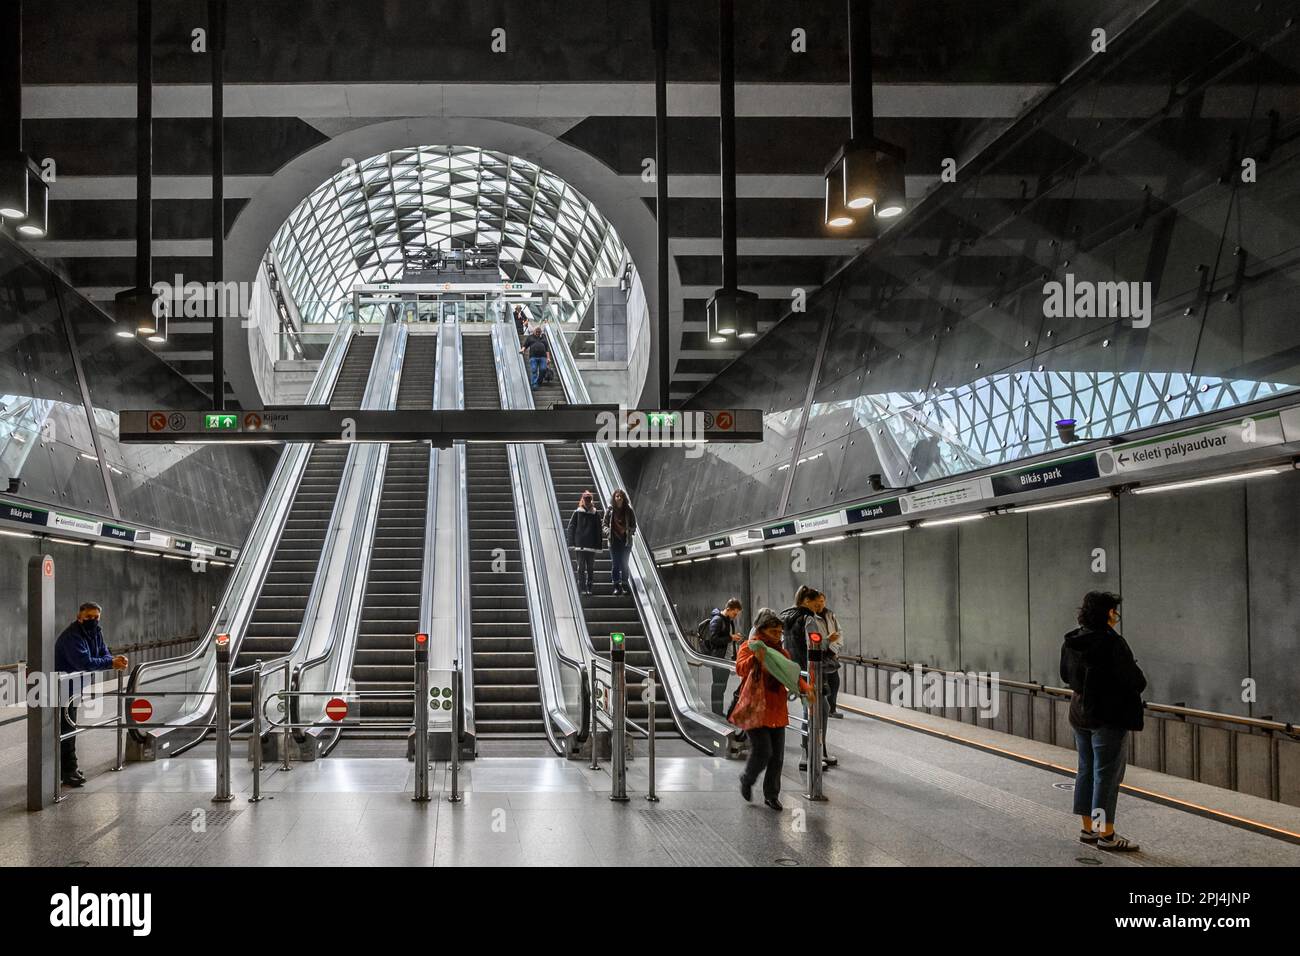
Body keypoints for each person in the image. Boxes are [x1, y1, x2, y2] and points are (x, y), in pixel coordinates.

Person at [1060, 591, 1146, 852]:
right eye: (1113, 610)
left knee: (1086, 769)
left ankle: (1089, 829)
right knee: (1106, 776)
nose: (1116, 614)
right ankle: (1106, 834)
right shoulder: (1112, 643)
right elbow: (1136, 681)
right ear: (1108, 612)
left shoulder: (1073, 639)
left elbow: (1065, 674)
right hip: (1107, 716)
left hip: (1079, 712)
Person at [53, 603, 128, 787]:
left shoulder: (96, 633)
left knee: (69, 730)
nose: (92, 621)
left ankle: (69, 769)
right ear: (79, 617)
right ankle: (67, 771)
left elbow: (104, 652)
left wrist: (112, 660)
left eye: (96, 618)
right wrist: (111, 663)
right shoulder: (72, 637)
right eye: (88, 618)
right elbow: (84, 663)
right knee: (65, 731)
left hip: (74, 690)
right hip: (60, 690)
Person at [734, 608, 795, 810]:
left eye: (780, 633)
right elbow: (740, 669)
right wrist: (755, 659)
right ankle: (747, 779)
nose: (778, 636)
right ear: (762, 630)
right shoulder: (750, 647)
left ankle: (771, 795)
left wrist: (805, 689)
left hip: (776, 709)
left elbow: (790, 674)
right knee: (763, 751)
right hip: (754, 709)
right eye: (774, 632)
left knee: (777, 757)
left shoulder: (781, 652)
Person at [782, 586, 837, 772]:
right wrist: (828, 639)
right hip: (811, 671)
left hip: (797, 670)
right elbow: (816, 644)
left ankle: (816, 751)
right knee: (814, 710)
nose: (818, 607)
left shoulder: (786, 617)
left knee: (819, 708)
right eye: (815, 603)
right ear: (806, 601)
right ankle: (808, 754)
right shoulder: (808, 618)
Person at [703, 599, 742, 715]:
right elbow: (713, 639)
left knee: (721, 687)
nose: (735, 617)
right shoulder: (717, 620)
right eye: (734, 614)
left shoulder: (728, 620)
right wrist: (731, 638)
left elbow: (725, 637)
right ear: (728, 609)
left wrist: (733, 638)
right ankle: (716, 712)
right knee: (718, 686)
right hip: (719, 658)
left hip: (725, 658)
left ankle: (718, 711)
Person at [565, 490, 604, 596]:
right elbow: (571, 528)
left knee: (590, 568)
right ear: (582, 499)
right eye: (585, 499)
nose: (587, 501)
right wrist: (571, 543)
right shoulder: (577, 512)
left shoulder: (595, 513)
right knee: (581, 567)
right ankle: (582, 587)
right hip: (580, 545)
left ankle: (589, 587)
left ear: (591, 500)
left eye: (589, 499)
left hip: (591, 546)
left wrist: (599, 546)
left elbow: (598, 530)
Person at [602, 488, 636, 595]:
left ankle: (625, 585)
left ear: (624, 498)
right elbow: (604, 524)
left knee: (624, 564)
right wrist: (608, 533)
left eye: (621, 496)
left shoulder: (629, 511)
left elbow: (634, 525)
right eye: (617, 496)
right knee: (615, 564)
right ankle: (616, 586)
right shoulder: (610, 510)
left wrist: (628, 531)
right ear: (614, 498)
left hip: (626, 542)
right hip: (613, 542)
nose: (619, 498)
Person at [822, 602, 844, 718]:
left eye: (822, 601)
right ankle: (821, 710)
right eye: (818, 601)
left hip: (830, 655)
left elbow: (839, 634)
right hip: (818, 655)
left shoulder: (830, 615)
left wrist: (834, 649)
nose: (820, 603)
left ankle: (831, 708)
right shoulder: (810, 617)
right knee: (822, 684)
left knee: (834, 681)